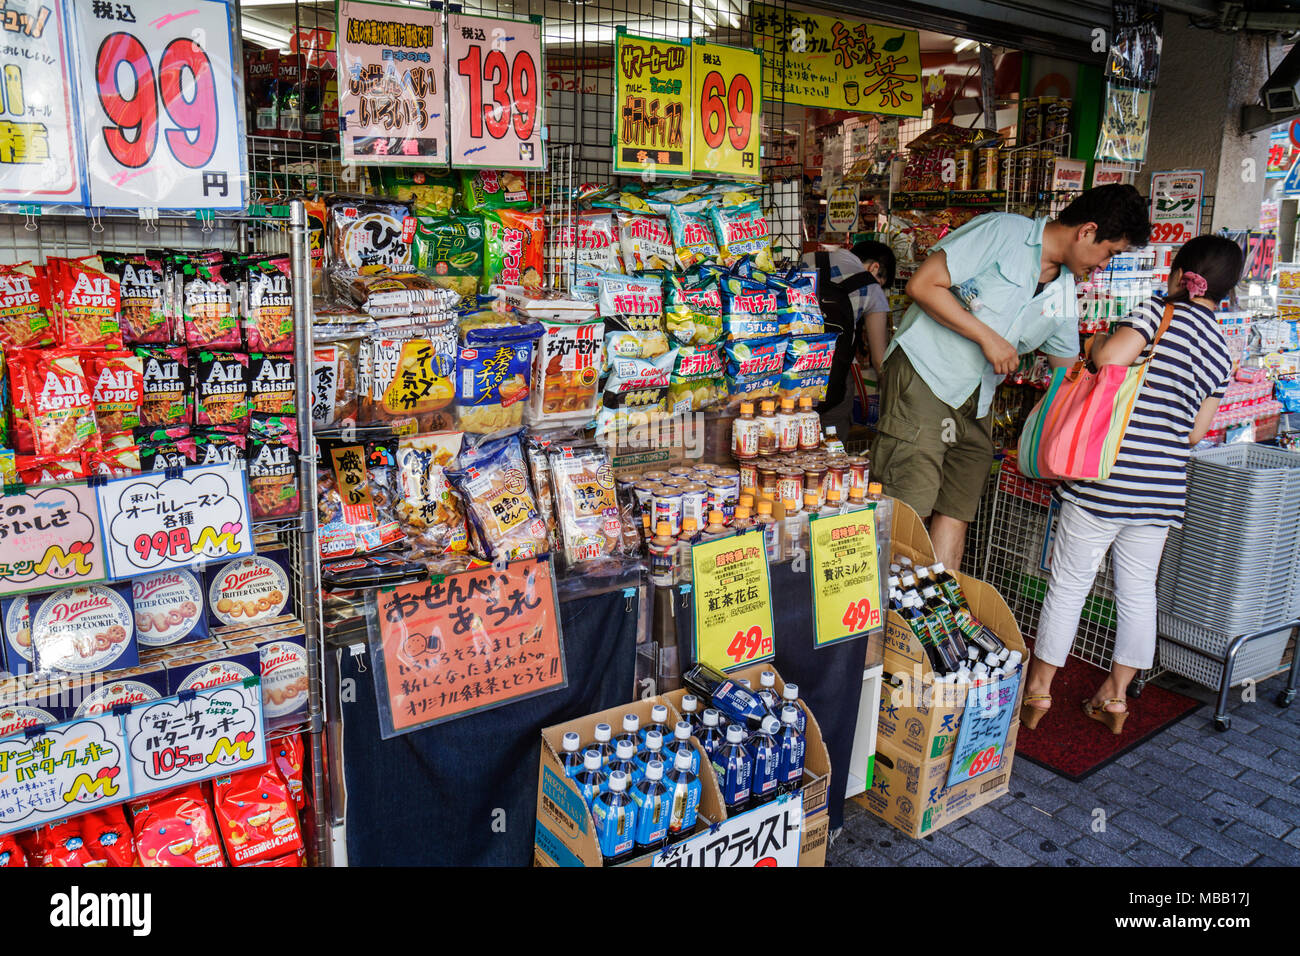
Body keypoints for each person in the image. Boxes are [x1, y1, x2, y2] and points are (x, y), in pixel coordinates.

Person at [1021, 235, 1242, 734]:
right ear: (1225, 291)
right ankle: (1115, 698)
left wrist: (1095, 343)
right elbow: (1193, 433)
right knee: (1139, 592)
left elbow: (1111, 360)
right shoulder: (1221, 350)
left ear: (1179, 273)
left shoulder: (1157, 314)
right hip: (1160, 490)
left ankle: (1038, 692)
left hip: (1105, 475)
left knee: (1069, 585)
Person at [871, 184, 1152, 571]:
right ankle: (883, 626)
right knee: (909, 507)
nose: (1104, 265)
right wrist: (988, 338)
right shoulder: (1004, 232)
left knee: (957, 509)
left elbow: (1065, 369)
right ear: (1087, 231)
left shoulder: (1064, 292)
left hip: (978, 399)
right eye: (1110, 252)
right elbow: (923, 285)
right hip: (925, 375)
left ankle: (939, 618)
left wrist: (1111, 358)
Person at [798, 241, 896, 439]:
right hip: (836, 378)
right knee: (830, 443)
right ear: (875, 267)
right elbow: (879, 360)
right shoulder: (870, 287)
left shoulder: (801, 260)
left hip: (785, 370)